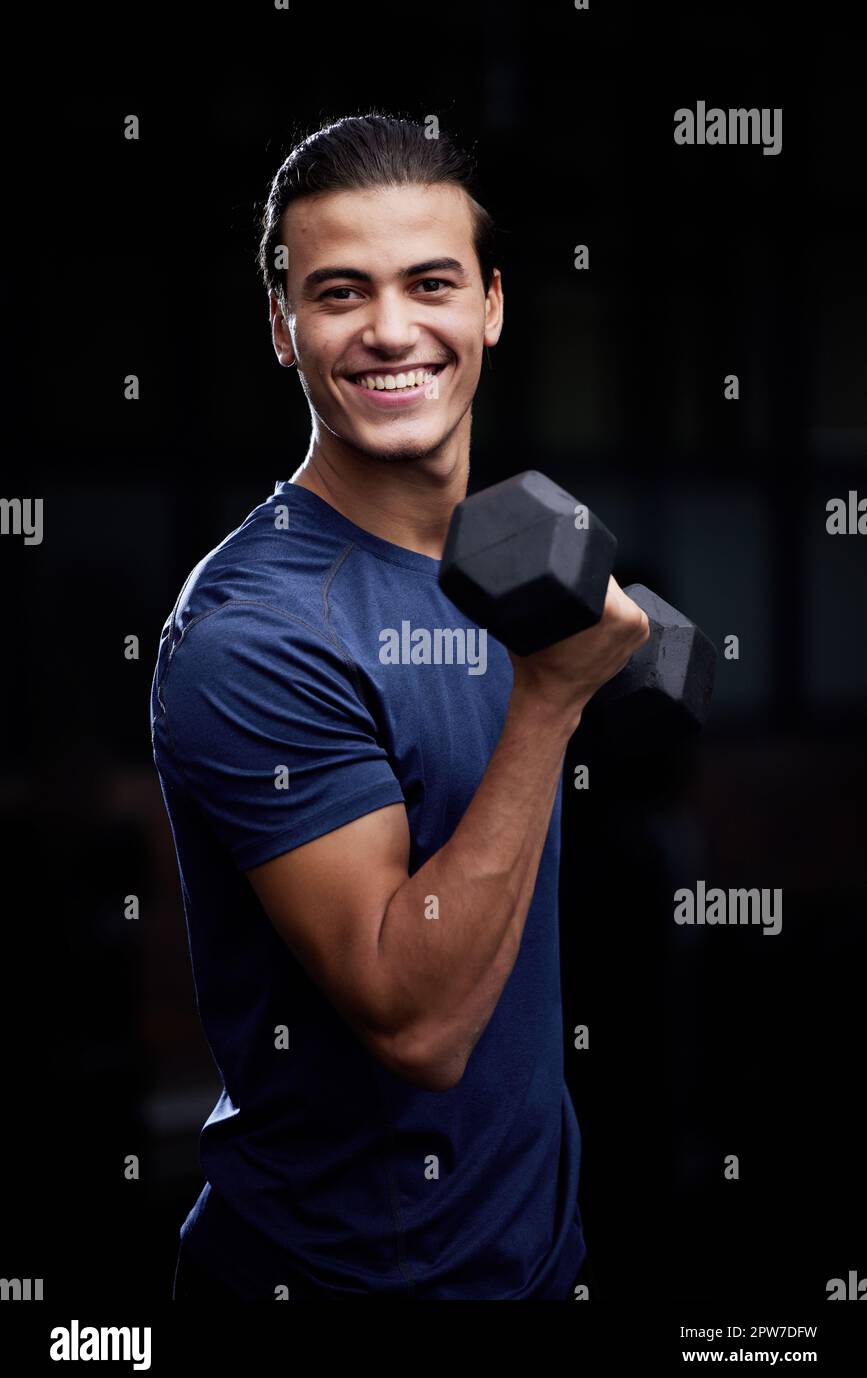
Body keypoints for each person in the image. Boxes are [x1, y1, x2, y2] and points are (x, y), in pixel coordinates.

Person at [151, 111, 648, 1301]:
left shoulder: (502, 559)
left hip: (532, 1263)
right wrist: (551, 703)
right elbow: (416, 1029)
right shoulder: (255, 635)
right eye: (338, 293)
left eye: (430, 282)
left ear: (491, 305)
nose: (389, 329)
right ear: (283, 327)